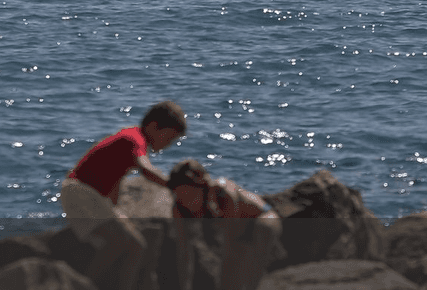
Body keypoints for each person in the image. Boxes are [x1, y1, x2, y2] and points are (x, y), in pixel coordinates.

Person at [60, 101, 186, 290]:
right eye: (168, 138)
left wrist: (116, 210)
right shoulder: (134, 139)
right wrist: (174, 186)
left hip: (89, 195)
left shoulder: (130, 139)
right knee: (122, 242)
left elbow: (114, 180)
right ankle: (83, 285)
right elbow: (146, 169)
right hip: (81, 193)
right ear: (153, 127)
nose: (168, 145)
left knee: (137, 246)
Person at [167, 159, 283, 290]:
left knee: (243, 265)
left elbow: (231, 245)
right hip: (235, 231)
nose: (188, 202)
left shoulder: (223, 192)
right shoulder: (179, 208)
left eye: (191, 195)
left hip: (262, 219)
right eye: (181, 196)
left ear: (203, 187)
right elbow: (183, 252)